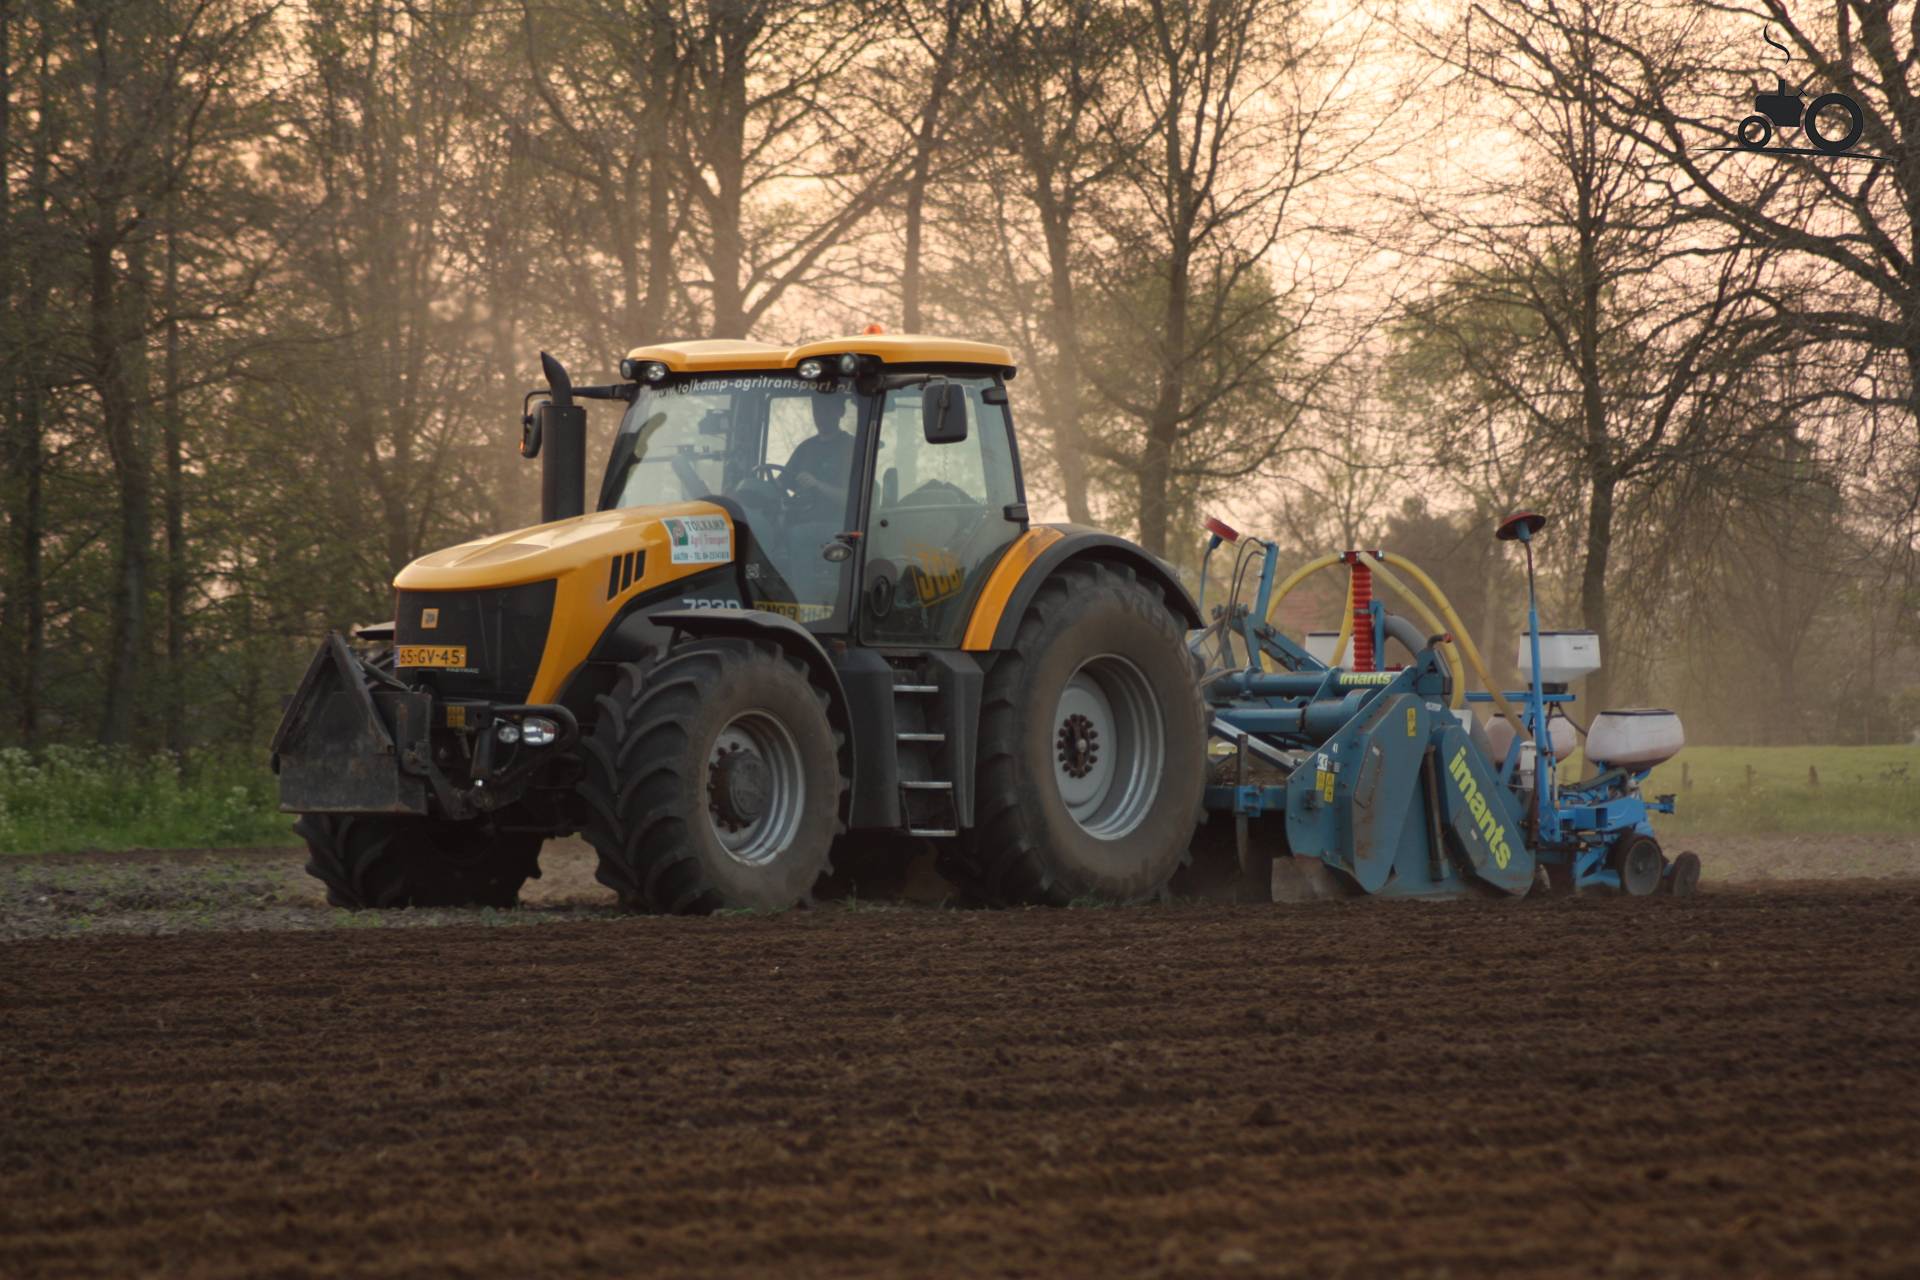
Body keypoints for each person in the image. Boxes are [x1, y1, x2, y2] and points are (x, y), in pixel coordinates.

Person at [783, 391, 856, 517]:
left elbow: (854, 499)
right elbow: (782, 482)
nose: (821, 416)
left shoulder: (852, 447)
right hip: (798, 518)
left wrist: (817, 485)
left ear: (841, 411)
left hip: (835, 524)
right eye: (817, 410)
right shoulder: (805, 447)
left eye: (827, 409)